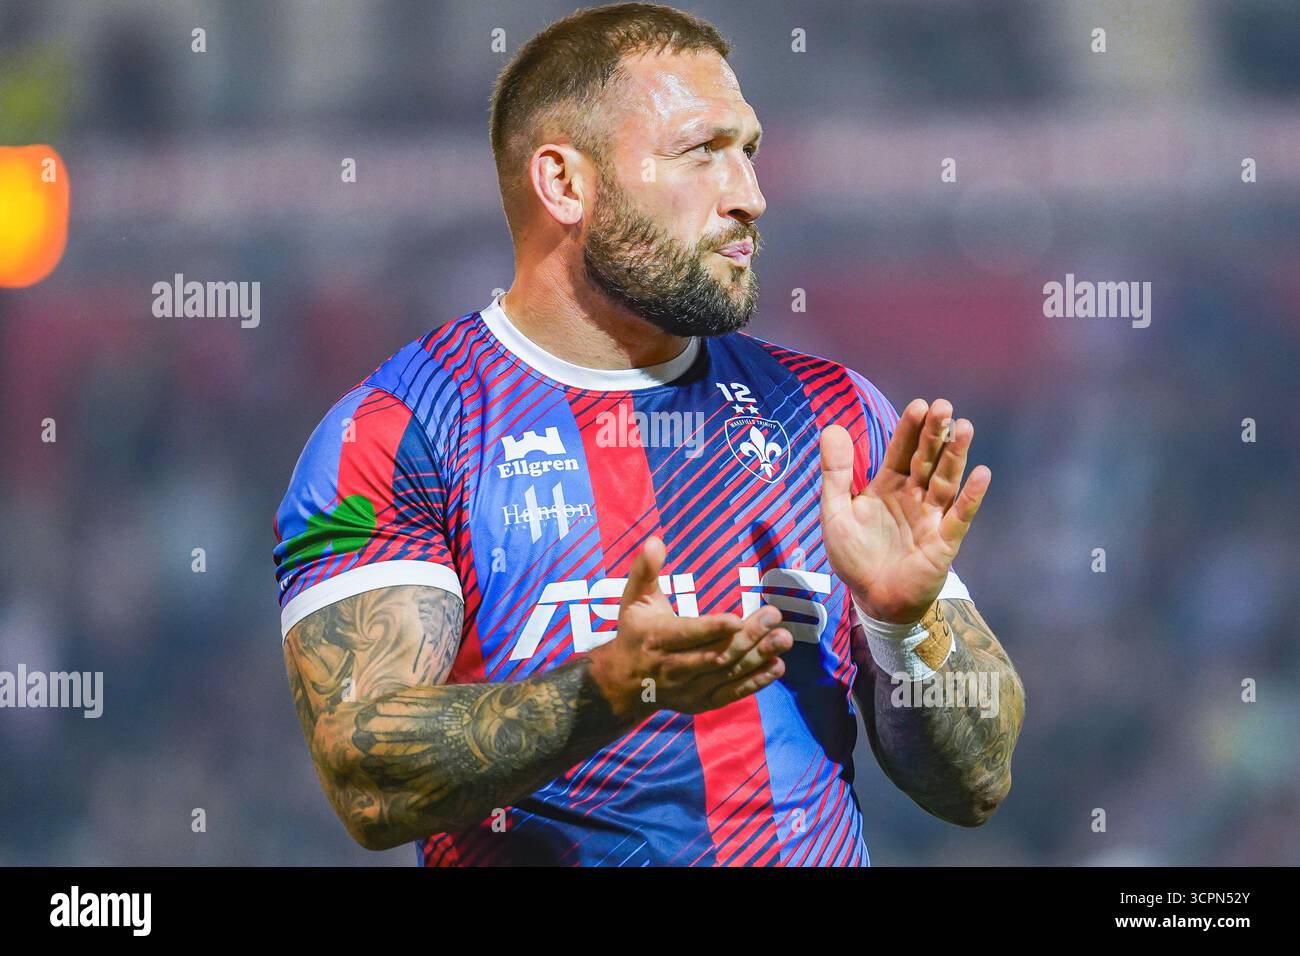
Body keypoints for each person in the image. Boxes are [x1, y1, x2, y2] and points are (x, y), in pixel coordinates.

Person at [273, 2, 1024, 866]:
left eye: (749, 150)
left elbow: (979, 783)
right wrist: (611, 688)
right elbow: (367, 778)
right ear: (565, 184)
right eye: (702, 153)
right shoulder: (401, 431)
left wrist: (904, 626)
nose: (749, 196)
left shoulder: (830, 416)